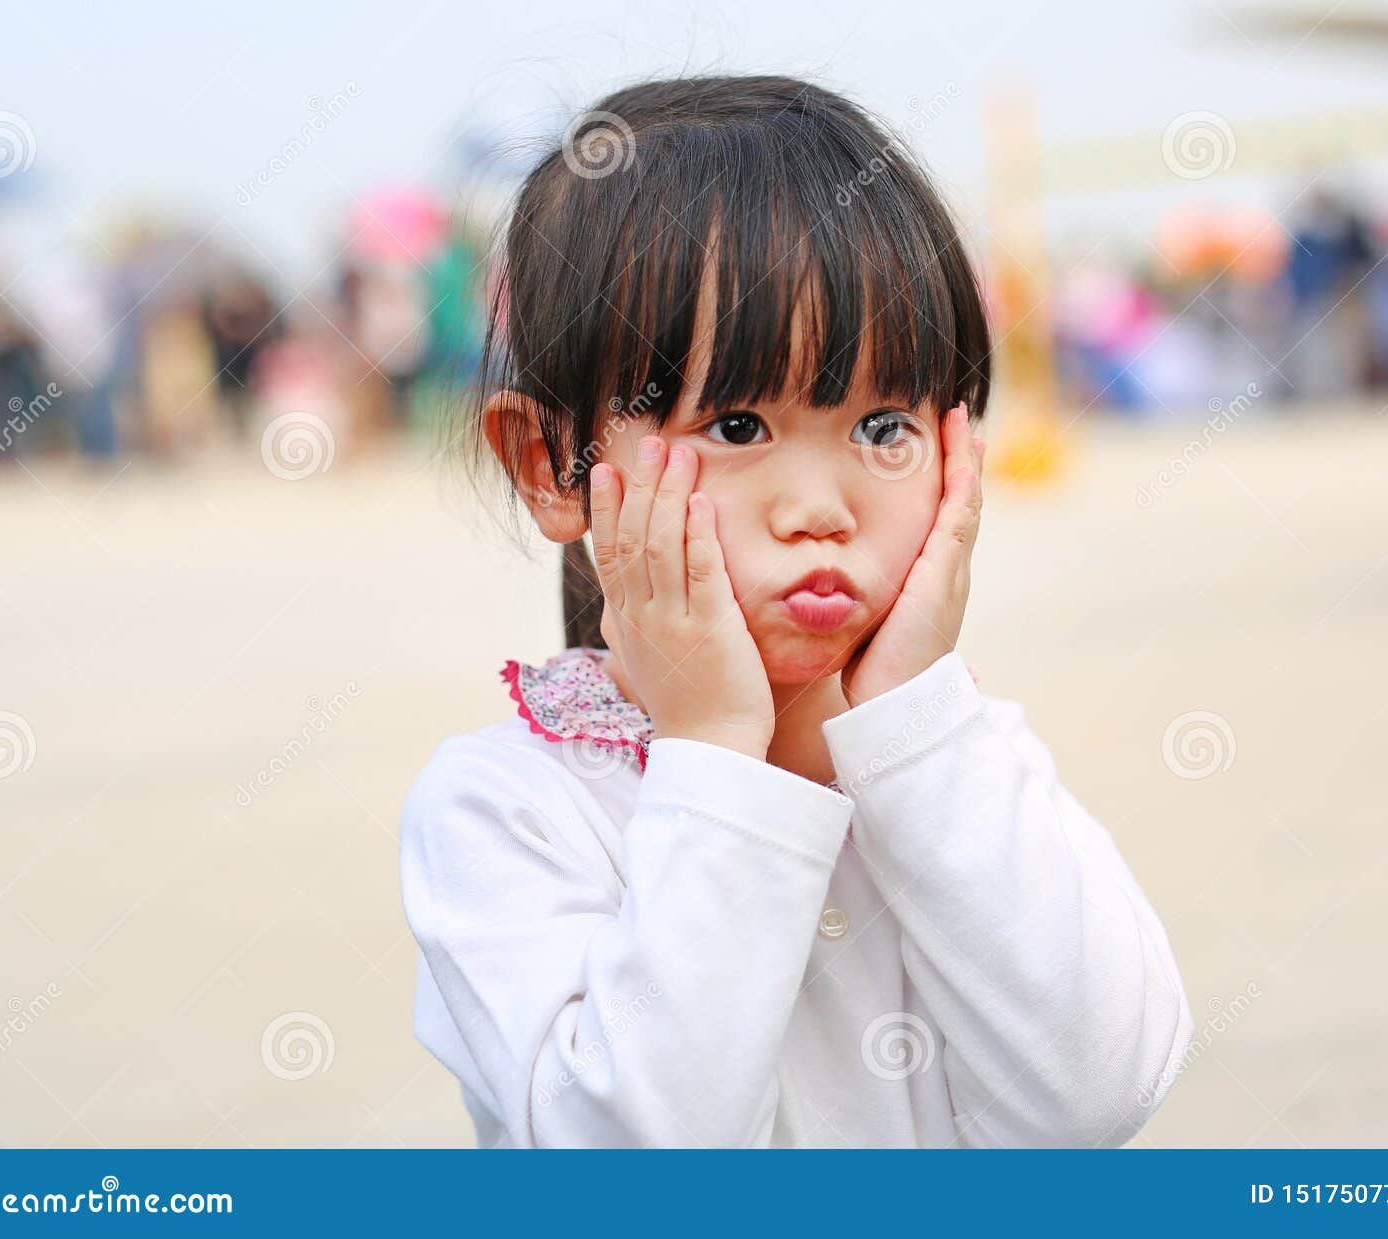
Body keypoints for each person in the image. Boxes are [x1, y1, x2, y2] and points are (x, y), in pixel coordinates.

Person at [399, 73, 1193, 1149]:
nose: (821, 508)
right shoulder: (510, 808)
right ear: (551, 463)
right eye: (736, 426)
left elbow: (1094, 1097)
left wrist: (916, 723)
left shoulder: (956, 760)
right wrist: (717, 750)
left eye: (882, 427)